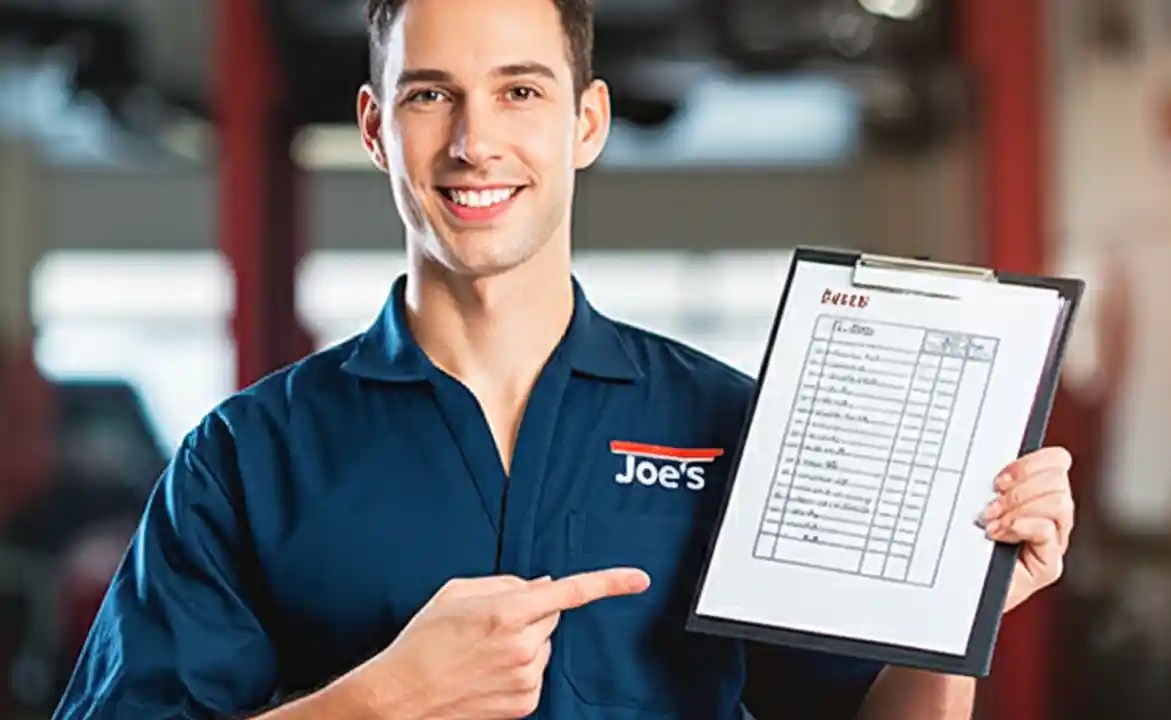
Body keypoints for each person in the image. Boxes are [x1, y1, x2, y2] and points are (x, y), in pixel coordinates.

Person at [52, 0, 1076, 717]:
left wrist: (955, 602)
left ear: (585, 122)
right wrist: (379, 704)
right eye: (427, 97)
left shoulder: (732, 426)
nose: (472, 142)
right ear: (373, 129)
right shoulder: (249, 456)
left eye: (518, 93)